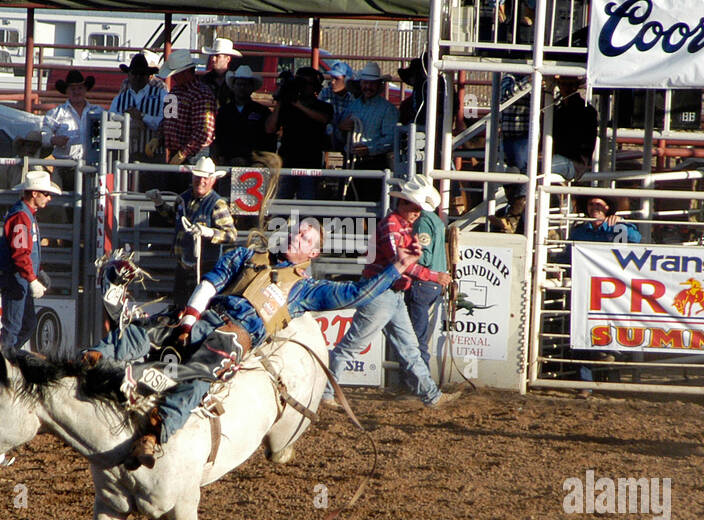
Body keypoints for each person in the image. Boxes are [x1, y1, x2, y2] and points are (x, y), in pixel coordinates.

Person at [94, 218, 426, 470]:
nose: (298, 237)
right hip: (209, 313)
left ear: (313, 253)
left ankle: (154, 433)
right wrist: (190, 317)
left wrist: (398, 265)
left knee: (202, 374)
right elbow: (213, 280)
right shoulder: (251, 255)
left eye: (306, 238)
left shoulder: (305, 290)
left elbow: (355, 294)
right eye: (297, 232)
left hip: (237, 335)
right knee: (150, 330)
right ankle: (95, 358)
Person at [326, 175, 461, 410]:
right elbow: (401, 264)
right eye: (415, 208)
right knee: (352, 347)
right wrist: (434, 276)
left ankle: (432, 396)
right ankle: (326, 391)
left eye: (420, 209)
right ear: (404, 204)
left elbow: (403, 263)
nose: (418, 213)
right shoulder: (393, 225)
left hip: (390, 294)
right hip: (381, 292)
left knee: (407, 348)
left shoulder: (401, 226)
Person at [147, 154, 237, 303]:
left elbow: (231, 235)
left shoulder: (217, 204)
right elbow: (173, 218)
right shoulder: (183, 198)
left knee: (199, 307)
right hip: (183, 265)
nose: (201, 181)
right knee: (180, 305)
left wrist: (209, 232)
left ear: (212, 180)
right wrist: (159, 203)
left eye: (205, 178)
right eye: (198, 177)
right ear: (192, 178)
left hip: (205, 268)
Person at [0, 169, 60, 352]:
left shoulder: (25, 214)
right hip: (16, 276)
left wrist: (35, 273)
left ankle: (8, 360)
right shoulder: (22, 216)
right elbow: (20, 253)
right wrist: (32, 278)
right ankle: (5, 363)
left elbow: (23, 251)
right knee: (15, 326)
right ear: (35, 193)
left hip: (20, 275)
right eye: (46, 194)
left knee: (25, 325)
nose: (49, 198)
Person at [403, 176, 452, 376]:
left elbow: (424, 256)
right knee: (419, 334)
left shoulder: (422, 222)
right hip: (433, 284)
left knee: (416, 337)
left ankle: (419, 380)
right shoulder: (436, 221)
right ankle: (420, 380)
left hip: (423, 283)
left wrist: (405, 258)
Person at [267, 66, 331, 200]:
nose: (303, 87)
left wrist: (299, 105)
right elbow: (270, 128)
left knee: (307, 204)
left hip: (310, 161)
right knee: (281, 203)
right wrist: (280, 101)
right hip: (287, 160)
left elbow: (324, 118)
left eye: (307, 84)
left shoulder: (323, 106)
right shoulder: (287, 106)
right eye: (300, 83)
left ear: (315, 87)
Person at [339, 62, 399, 201]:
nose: (368, 87)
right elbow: (340, 130)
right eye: (365, 83)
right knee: (350, 204)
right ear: (360, 83)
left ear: (379, 85)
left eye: (372, 83)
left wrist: (369, 148)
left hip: (374, 162)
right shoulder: (353, 106)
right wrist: (342, 127)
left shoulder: (387, 109)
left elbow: (391, 139)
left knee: (371, 205)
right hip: (352, 161)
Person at [158, 49, 216, 166]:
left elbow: (203, 132)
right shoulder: (175, 91)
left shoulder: (202, 94)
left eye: (175, 74)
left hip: (195, 154)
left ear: (185, 72)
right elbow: (167, 119)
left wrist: (183, 153)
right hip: (177, 151)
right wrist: (158, 137)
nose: (173, 77)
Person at [109, 51, 166, 159]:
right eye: (134, 73)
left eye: (142, 74)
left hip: (153, 155)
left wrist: (143, 116)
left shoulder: (161, 94)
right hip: (126, 156)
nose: (138, 77)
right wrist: (130, 121)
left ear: (148, 76)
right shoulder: (119, 98)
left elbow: (164, 123)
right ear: (129, 75)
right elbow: (111, 120)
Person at [212, 63, 269, 166]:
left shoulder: (262, 111)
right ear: (233, 87)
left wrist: (258, 161)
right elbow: (218, 138)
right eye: (239, 84)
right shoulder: (224, 111)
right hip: (228, 163)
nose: (242, 87)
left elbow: (268, 141)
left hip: (254, 165)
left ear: (251, 87)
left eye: (245, 84)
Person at [43, 68, 103, 163]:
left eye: (80, 88)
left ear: (85, 89)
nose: (76, 92)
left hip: (92, 164)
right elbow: (44, 134)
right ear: (66, 91)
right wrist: (52, 140)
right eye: (72, 89)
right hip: (64, 165)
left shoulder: (98, 112)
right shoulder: (55, 113)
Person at [570, 196, 642, 244]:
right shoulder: (579, 231)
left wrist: (621, 222)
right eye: (591, 204)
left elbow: (635, 239)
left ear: (607, 208)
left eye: (598, 204)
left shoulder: (617, 226)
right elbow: (568, 254)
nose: (594, 207)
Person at [199, 36, 240, 109]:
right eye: (213, 56)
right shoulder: (204, 80)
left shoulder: (235, 81)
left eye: (217, 56)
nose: (213, 59)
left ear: (228, 59)